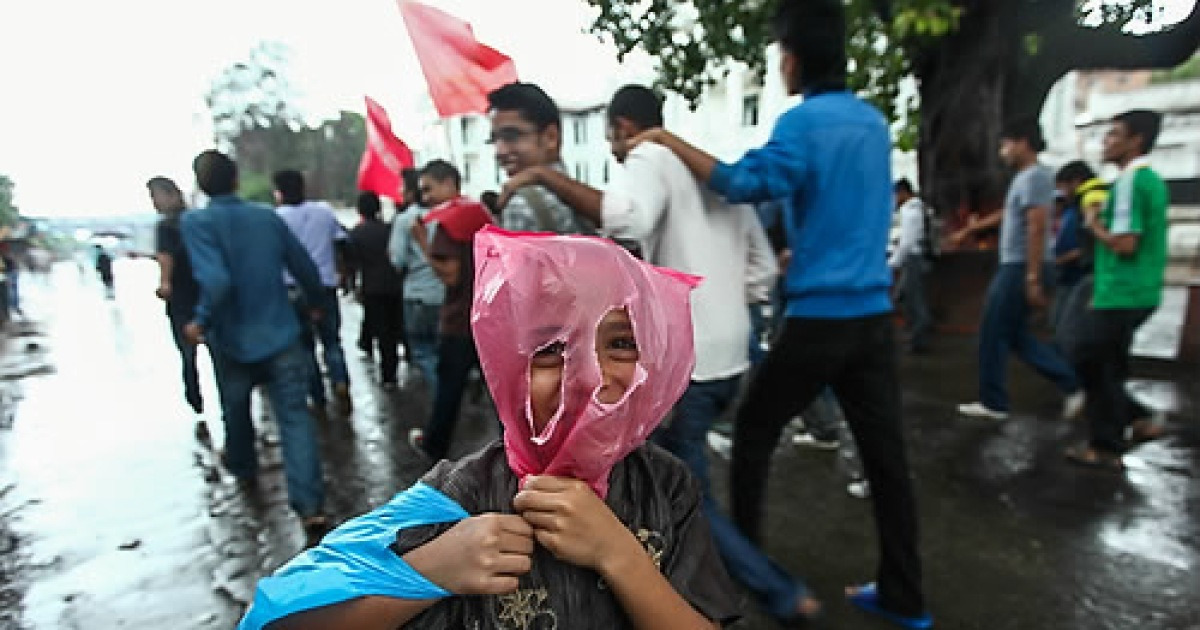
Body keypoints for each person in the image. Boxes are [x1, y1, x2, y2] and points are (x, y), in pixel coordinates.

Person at [237, 228, 739, 630]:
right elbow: (282, 618)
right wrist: (430, 570)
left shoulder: (667, 488)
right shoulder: (457, 499)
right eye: (550, 349)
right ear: (507, 364)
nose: (589, 375)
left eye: (622, 344)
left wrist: (619, 555)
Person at [628, 1, 932, 626]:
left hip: (820, 319)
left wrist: (664, 138)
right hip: (874, 318)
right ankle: (906, 596)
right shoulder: (873, 124)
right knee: (886, 461)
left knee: (756, 436)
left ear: (792, 59)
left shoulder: (804, 123)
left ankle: (751, 572)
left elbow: (741, 182)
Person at [495, 84, 818, 622]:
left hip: (687, 362)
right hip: (731, 356)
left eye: (612, 144)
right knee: (687, 481)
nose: (616, 156)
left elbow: (629, 220)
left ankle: (775, 593)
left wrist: (542, 174)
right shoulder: (713, 174)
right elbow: (761, 272)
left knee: (680, 492)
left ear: (623, 129)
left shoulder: (650, 155)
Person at [181, 150, 329, 542]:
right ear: (235, 180)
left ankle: (246, 478)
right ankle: (310, 506)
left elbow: (215, 281)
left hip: (230, 341)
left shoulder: (196, 222)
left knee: (237, 413)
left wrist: (201, 319)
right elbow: (303, 267)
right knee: (295, 421)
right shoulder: (266, 217)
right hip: (280, 334)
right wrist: (316, 301)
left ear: (201, 184)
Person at [953, 118, 1084, 422]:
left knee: (992, 333)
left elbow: (1037, 226)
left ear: (1023, 142)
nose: (1002, 152)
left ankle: (995, 401)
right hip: (1018, 265)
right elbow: (1009, 213)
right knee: (1012, 335)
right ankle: (1071, 384)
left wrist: (1032, 276)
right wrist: (973, 229)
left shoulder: (1035, 177)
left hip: (1019, 266)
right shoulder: (1027, 178)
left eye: (1005, 144)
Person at [1066, 110, 1170, 470]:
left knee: (1089, 359)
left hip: (1122, 291)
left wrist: (1094, 224)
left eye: (1114, 136)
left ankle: (1106, 444)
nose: (1105, 143)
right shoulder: (1150, 181)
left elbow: (1125, 244)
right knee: (1104, 363)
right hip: (1136, 289)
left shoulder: (1128, 184)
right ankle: (1140, 418)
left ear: (1135, 140)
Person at [407, 160, 494, 462]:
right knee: (501, 394)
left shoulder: (448, 224)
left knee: (448, 390)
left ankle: (434, 446)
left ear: (448, 183)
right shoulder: (479, 215)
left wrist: (422, 243)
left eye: (428, 188)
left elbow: (451, 275)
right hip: (488, 317)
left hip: (459, 320)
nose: (425, 197)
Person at [273, 169, 352, 414]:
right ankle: (340, 381)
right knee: (331, 341)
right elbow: (343, 242)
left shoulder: (276, 219)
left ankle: (317, 396)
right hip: (325, 287)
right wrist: (344, 273)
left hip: (292, 291)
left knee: (305, 348)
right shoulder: (324, 212)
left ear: (279, 192)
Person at [147, 176, 210, 442]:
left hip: (183, 298)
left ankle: (195, 401)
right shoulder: (198, 220)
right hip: (207, 293)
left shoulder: (166, 227)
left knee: (187, 354)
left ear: (171, 195)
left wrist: (164, 283)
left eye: (156, 196)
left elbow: (165, 257)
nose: (154, 203)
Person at [487, 82, 594, 235]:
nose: (500, 151)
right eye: (494, 140)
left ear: (551, 137)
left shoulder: (521, 204)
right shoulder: (591, 203)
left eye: (511, 136)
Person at [390, 168, 443, 392]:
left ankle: (443, 402)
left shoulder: (405, 220)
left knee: (423, 351)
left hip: (418, 296)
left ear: (412, 192)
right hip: (445, 293)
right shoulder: (444, 215)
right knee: (443, 352)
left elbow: (398, 260)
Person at [347, 191, 404, 387]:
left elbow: (352, 263)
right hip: (395, 285)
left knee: (382, 331)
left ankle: (387, 372)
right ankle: (394, 367)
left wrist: (352, 285)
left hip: (372, 287)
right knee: (395, 326)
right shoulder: (390, 229)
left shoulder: (356, 233)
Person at [1050, 161, 1096, 333]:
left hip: (1080, 279)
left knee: (1068, 329)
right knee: (1057, 324)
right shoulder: (1071, 209)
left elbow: (1088, 247)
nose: (1061, 193)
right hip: (1066, 278)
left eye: (1062, 187)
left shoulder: (1089, 206)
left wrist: (1060, 259)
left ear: (1076, 182)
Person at [890, 179, 932, 353]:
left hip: (912, 259)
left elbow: (907, 242)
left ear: (902, 193)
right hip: (915, 258)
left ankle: (918, 339)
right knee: (903, 296)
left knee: (913, 300)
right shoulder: (919, 208)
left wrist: (893, 263)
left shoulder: (910, 211)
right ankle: (914, 333)